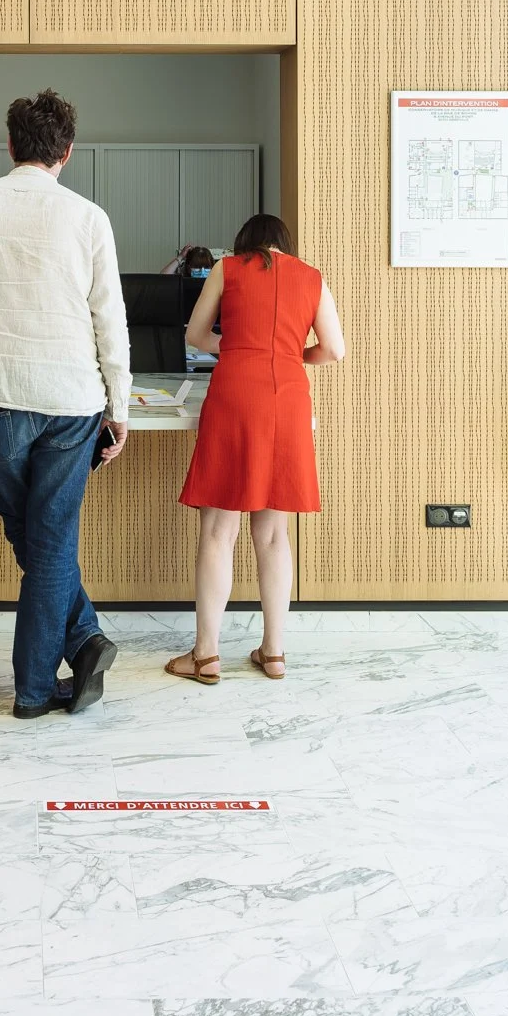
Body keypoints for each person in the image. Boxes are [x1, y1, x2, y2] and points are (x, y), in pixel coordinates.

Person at [0, 89, 131, 719]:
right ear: (66, 151)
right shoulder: (89, 217)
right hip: (71, 400)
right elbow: (108, 321)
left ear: (9, 145)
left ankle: (51, 671)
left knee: (35, 534)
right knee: (49, 539)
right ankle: (73, 648)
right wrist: (120, 407)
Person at [164, 213, 344, 685]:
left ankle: (205, 656)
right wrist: (289, 355)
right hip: (288, 398)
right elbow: (334, 350)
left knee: (219, 530)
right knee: (272, 533)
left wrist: (239, 347)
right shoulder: (312, 277)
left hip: (235, 395)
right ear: (284, 244)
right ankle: (275, 652)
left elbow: (195, 335)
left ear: (245, 244)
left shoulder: (229, 269)